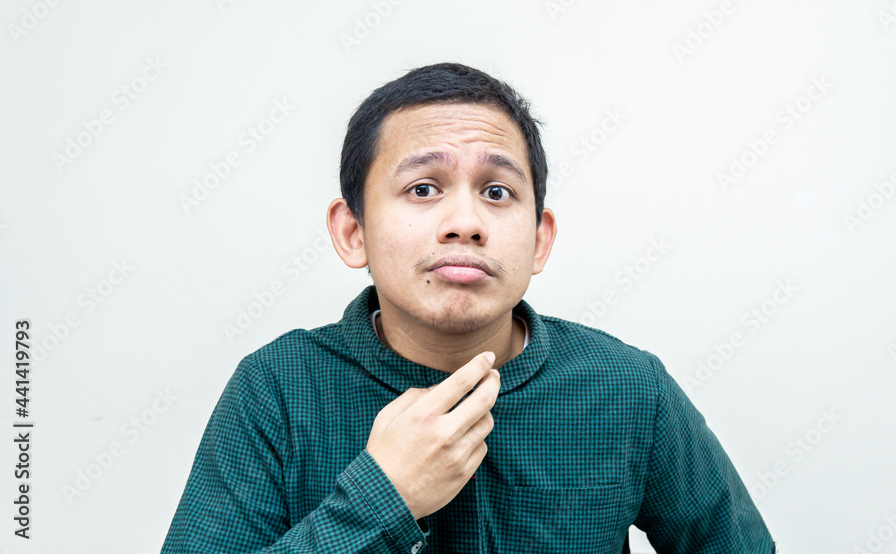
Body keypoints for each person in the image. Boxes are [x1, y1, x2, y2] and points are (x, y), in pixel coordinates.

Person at [160, 62, 776, 553]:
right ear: (353, 232)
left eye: (497, 192)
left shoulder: (630, 388)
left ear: (539, 239)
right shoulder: (277, 388)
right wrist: (384, 497)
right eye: (423, 188)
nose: (464, 223)